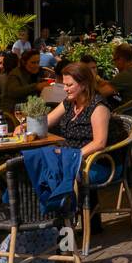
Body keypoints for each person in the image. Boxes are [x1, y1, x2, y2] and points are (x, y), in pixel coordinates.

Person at [45, 61, 112, 233]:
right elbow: (47, 121)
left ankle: (63, 232)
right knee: (40, 166)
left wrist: (72, 156)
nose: (65, 89)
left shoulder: (98, 106)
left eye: (69, 85)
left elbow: (99, 142)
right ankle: (47, 223)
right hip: (70, 159)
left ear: (83, 85)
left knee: (57, 175)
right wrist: (26, 126)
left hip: (95, 163)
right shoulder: (69, 103)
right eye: (64, 85)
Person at [0, 50, 43, 118]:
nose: (36, 65)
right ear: (24, 62)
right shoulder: (15, 74)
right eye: (33, 62)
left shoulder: (33, 74)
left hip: (27, 112)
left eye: (38, 62)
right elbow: (14, 91)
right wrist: (36, 87)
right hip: (11, 115)